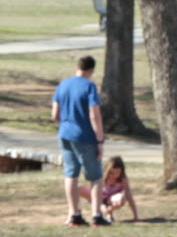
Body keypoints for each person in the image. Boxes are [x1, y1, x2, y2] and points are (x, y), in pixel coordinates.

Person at [52, 54, 108, 227]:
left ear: (77, 67)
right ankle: (97, 215)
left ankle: (74, 214)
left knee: (71, 174)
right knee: (95, 177)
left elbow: (55, 114)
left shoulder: (63, 85)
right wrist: (99, 141)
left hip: (65, 134)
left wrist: (64, 126)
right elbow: (94, 115)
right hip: (85, 137)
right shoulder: (89, 86)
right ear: (91, 70)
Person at [88, 155, 139, 222]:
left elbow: (129, 196)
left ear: (122, 171)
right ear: (107, 170)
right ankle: (101, 213)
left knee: (122, 198)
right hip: (101, 199)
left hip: (112, 200)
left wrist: (136, 216)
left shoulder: (123, 179)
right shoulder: (101, 177)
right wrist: (100, 206)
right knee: (81, 189)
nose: (114, 175)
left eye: (117, 172)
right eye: (111, 173)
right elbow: (95, 193)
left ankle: (108, 213)